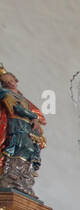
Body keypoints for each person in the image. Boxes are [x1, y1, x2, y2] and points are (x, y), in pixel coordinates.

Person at [0, 66, 47, 196]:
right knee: (20, 145)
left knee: (30, 150)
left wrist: (35, 119)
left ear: (15, 80)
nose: (10, 83)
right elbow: (16, 109)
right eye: (6, 81)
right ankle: (11, 177)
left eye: (11, 80)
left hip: (27, 126)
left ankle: (24, 180)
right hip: (15, 123)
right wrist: (33, 116)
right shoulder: (5, 94)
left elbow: (37, 115)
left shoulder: (24, 100)